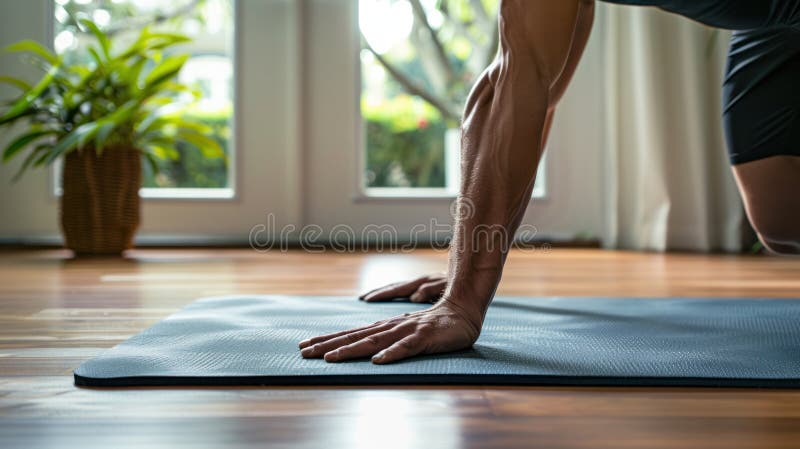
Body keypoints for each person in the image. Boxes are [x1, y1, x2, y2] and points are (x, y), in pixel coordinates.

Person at [299, 0, 800, 364]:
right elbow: (531, 87)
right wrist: (464, 275)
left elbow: (520, 81)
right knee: (778, 219)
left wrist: (464, 304)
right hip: (773, 21)